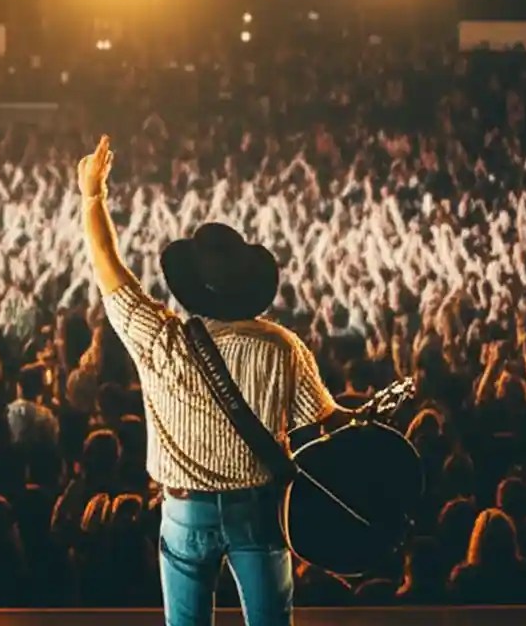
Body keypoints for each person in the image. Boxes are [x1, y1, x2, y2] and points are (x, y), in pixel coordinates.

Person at [77, 135, 349, 626]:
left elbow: (105, 262)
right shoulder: (283, 346)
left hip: (184, 512)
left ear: (192, 287)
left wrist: (91, 195)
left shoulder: (160, 339)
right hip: (260, 510)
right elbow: (329, 423)